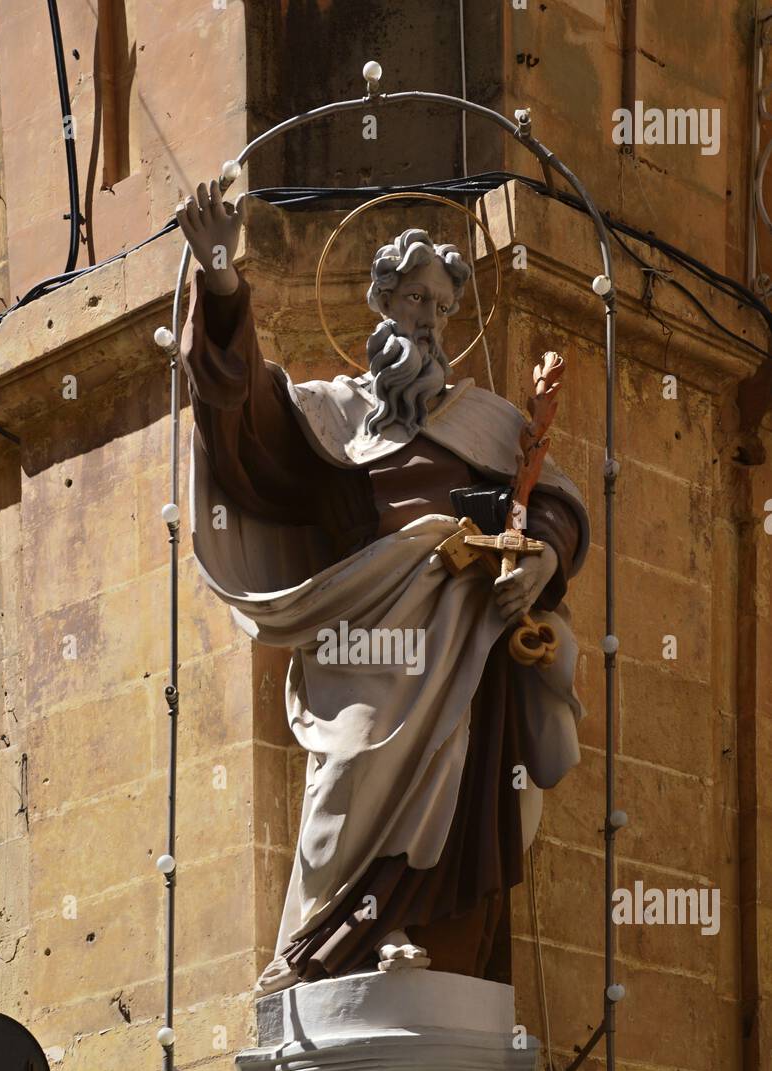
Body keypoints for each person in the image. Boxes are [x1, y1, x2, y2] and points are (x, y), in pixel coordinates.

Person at [178, 182, 589, 996]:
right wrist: (222, 283)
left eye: (440, 305)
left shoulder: (492, 424)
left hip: (465, 642)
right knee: (351, 767)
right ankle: (318, 951)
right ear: (381, 303)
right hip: (363, 637)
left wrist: (542, 556)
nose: (426, 319)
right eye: (411, 299)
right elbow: (246, 428)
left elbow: (552, 505)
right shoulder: (332, 412)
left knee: (458, 776)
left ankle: (407, 933)